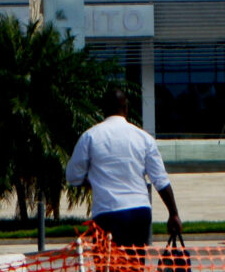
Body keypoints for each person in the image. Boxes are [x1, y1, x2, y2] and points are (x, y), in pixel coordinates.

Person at [65, 87, 181, 249]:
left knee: (107, 271)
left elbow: (72, 176)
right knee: (134, 271)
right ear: (126, 109)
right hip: (139, 213)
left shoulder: (90, 137)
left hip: (107, 214)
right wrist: (173, 213)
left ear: (103, 110)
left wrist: (94, 181)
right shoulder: (144, 138)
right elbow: (160, 180)